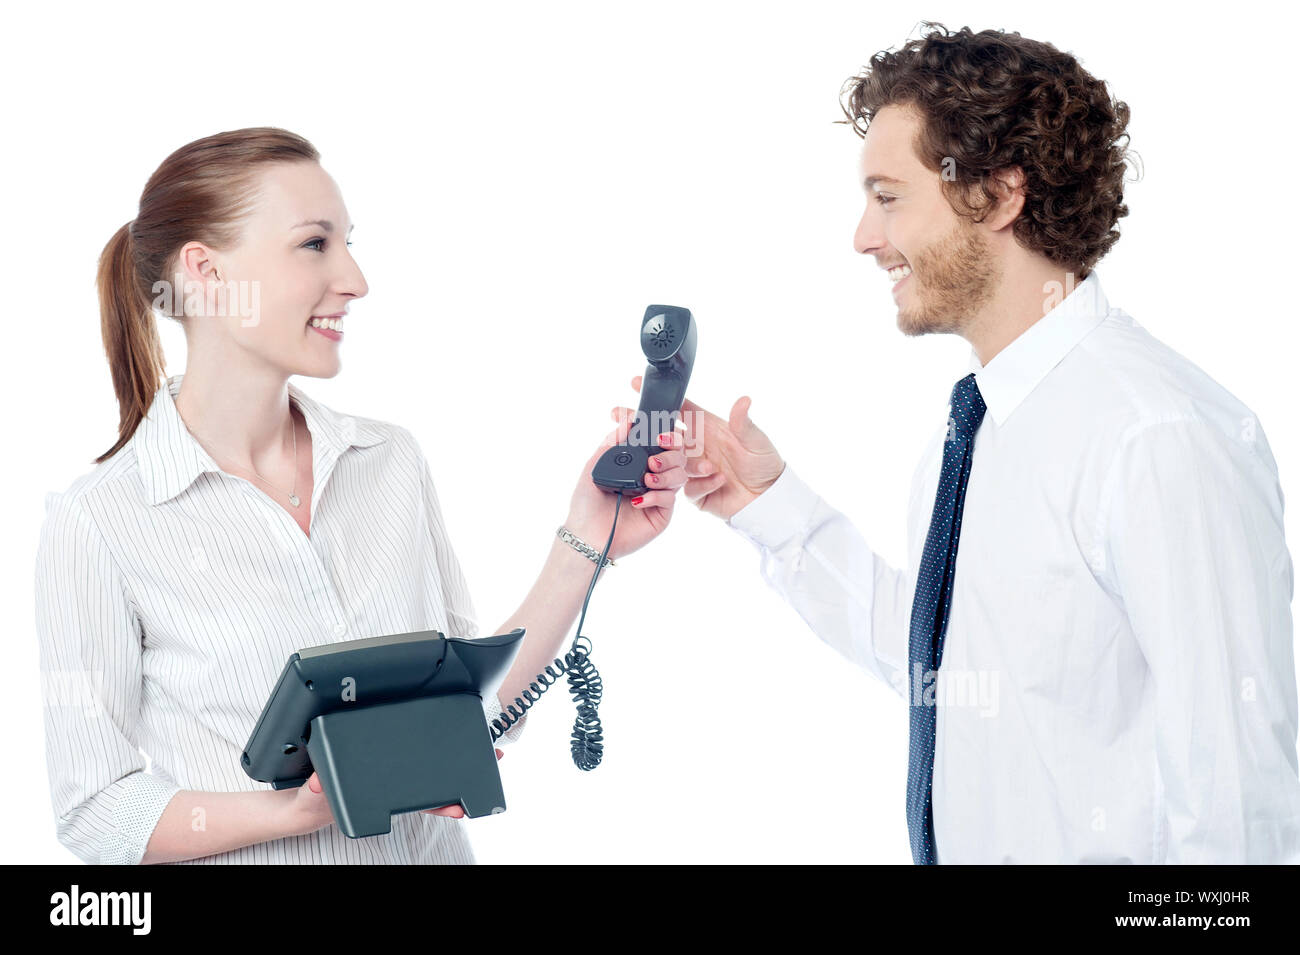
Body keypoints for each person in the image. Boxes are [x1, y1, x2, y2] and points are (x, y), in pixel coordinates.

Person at [634, 23, 1300, 863]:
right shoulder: (981, 429)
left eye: (888, 196)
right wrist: (766, 503)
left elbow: (1240, 812)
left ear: (999, 194)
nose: (863, 237)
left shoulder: (1157, 436)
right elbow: (948, 669)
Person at [34, 127, 689, 864]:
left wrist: (584, 541)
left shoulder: (388, 462)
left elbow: (470, 709)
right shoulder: (99, 522)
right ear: (204, 272)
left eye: (348, 241)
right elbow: (94, 810)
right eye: (315, 244)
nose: (355, 278)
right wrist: (300, 807)